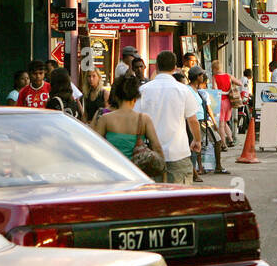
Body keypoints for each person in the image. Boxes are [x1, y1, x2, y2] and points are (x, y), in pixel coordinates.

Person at [139, 50, 201, 185]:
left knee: (154, 199)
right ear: (174, 68)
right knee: (180, 200)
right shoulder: (183, 90)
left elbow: (135, 120)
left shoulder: (143, 90)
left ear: (156, 67)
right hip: (178, 153)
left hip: (150, 155)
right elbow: (193, 120)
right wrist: (197, 140)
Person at [91, 72, 163, 164]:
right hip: (136, 173)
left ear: (116, 96)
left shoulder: (105, 119)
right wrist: (163, 174)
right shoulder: (144, 119)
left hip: (112, 170)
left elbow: (96, 148)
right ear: (136, 98)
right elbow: (157, 147)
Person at [189, 67, 227, 176]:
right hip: (197, 120)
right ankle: (200, 168)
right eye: (201, 75)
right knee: (201, 143)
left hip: (203, 119)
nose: (203, 77)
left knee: (211, 141)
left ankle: (205, 167)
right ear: (197, 77)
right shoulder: (189, 90)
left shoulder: (198, 91)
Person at [212, 59, 234, 148]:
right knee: (225, 122)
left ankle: (223, 144)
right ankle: (231, 140)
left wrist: (223, 93)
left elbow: (215, 90)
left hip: (220, 101)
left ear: (215, 68)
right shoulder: (228, 76)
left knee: (221, 124)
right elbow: (239, 83)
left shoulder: (215, 77)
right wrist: (228, 91)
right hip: (229, 102)